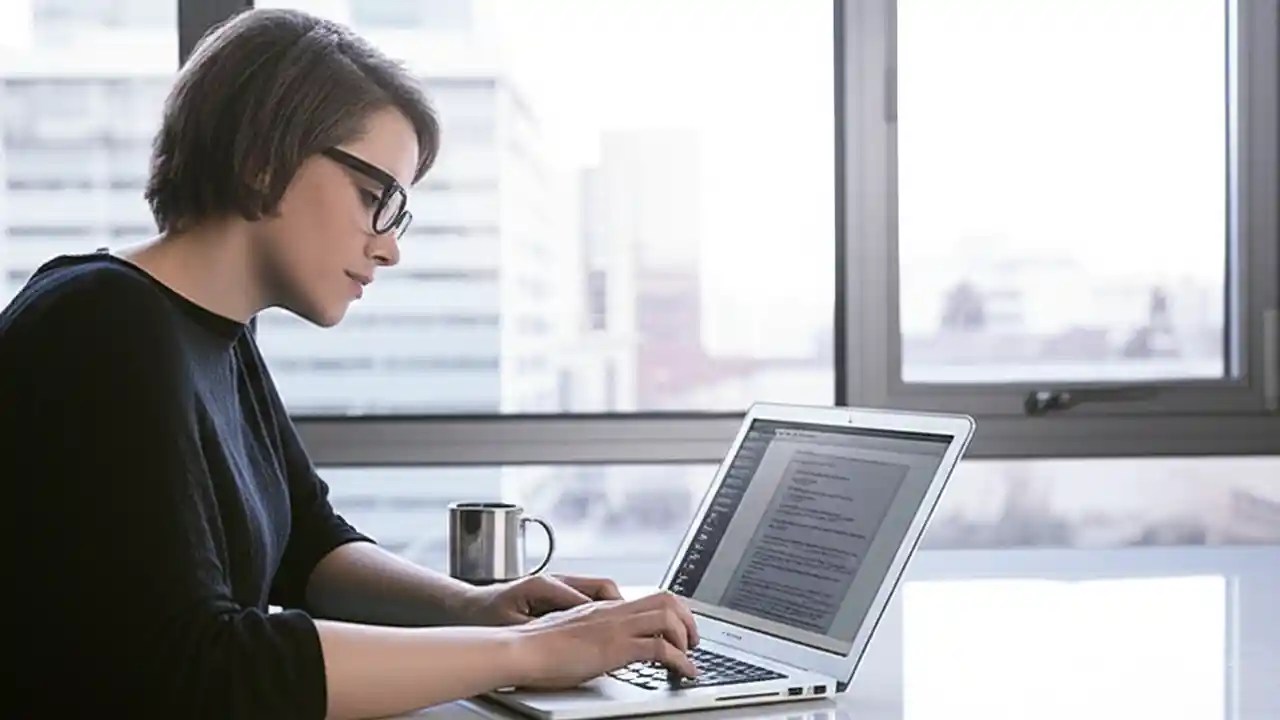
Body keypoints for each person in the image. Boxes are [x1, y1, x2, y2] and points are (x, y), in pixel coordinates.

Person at [1, 8, 699, 719]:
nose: (389, 247)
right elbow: (201, 667)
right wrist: (533, 654)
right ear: (263, 157)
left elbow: (309, 547)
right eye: (375, 199)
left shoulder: (214, 330)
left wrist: (479, 609)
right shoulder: (98, 326)